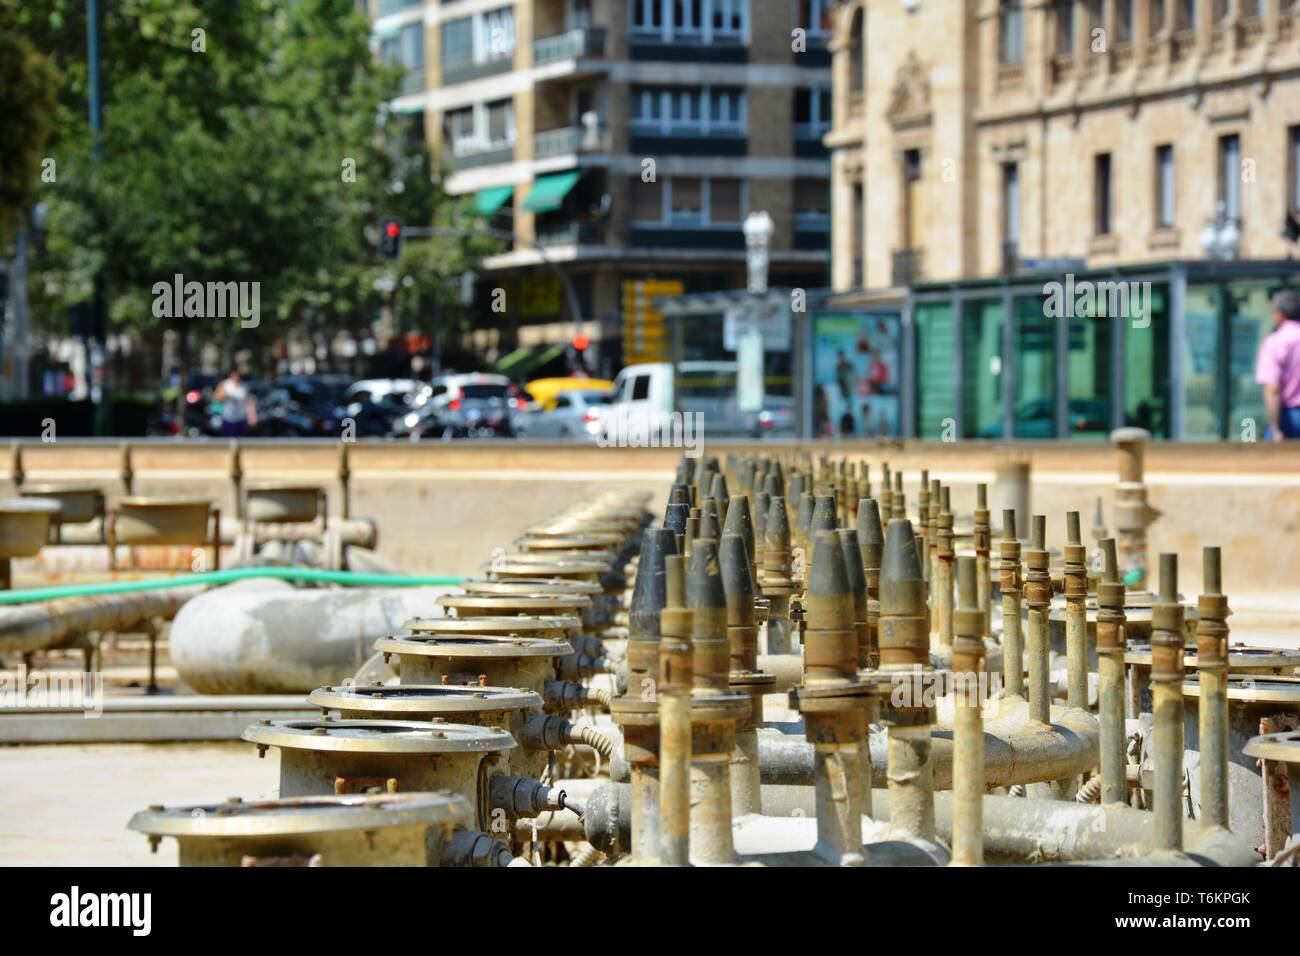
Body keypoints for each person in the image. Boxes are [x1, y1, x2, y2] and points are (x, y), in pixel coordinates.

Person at [1255, 289, 1300, 441]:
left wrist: (1275, 429)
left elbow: (1272, 389)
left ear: (1280, 314)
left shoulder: (1275, 342)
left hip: (1290, 417)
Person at [214, 368, 257, 437]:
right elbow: (216, 398)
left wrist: (252, 416)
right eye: (234, 375)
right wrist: (223, 395)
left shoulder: (244, 387)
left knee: (241, 440)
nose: (236, 377)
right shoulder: (225, 385)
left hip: (241, 418)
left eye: (238, 375)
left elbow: (249, 402)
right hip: (228, 418)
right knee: (228, 440)